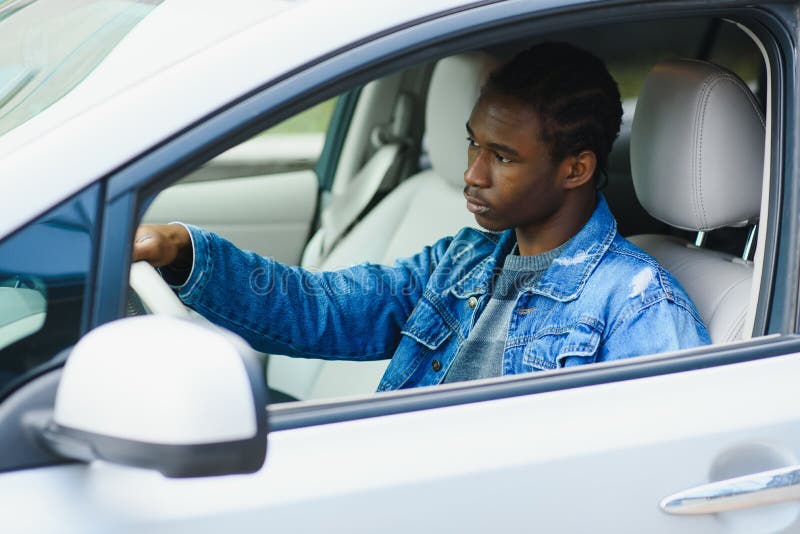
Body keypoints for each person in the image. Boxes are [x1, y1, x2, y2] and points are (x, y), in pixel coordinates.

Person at [134, 43, 710, 392]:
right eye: (472, 145)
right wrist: (181, 250)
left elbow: (659, 465)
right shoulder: (463, 260)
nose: (472, 174)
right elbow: (320, 310)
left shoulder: (637, 305)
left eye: (502, 157)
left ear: (576, 170)